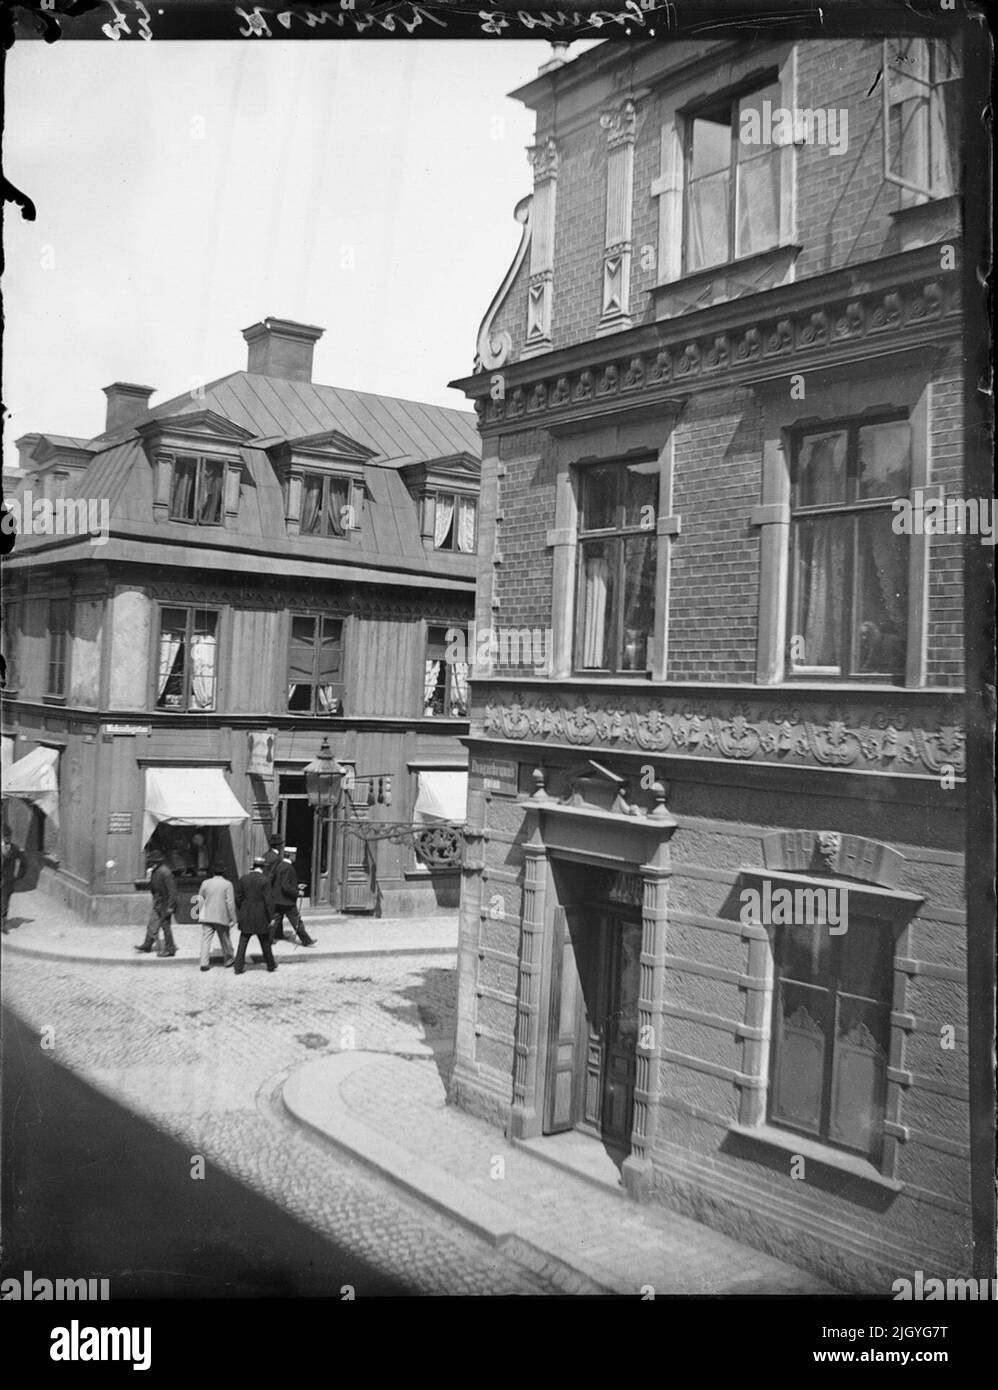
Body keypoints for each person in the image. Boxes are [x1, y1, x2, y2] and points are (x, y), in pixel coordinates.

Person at [233, 856, 277, 975]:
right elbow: (268, 901)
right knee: (265, 941)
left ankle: (238, 967)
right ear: (263, 867)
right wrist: (271, 917)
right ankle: (270, 965)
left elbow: (238, 898)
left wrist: (244, 907)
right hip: (261, 914)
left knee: (243, 941)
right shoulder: (265, 880)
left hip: (246, 913)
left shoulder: (244, 879)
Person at [134, 848, 178, 956]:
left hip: (165, 903)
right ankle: (147, 944)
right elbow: (153, 887)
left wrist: (171, 906)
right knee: (152, 923)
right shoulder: (156, 871)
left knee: (165, 926)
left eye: (153, 861)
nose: (151, 863)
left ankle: (170, 949)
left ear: (157, 862)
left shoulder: (165, 872)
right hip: (158, 902)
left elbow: (173, 891)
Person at [270, 846, 316, 946]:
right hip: (287, 901)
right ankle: (307, 941)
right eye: (294, 855)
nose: (295, 857)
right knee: (296, 921)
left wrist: (296, 886)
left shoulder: (280, 865)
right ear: (291, 856)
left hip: (278, 899)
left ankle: (268, 940)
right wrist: (297, 892)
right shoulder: (288, 867)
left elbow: (280, 882)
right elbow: (285, 886)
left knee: (276, 920)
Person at [197, 861, 237, 971]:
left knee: (206, 939)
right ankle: (229, 959)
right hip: (221, 916)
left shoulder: (205, 883)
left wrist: (199, 914)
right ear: (224, 872)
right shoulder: (227, 884)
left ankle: (204, 962)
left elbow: (200, 899)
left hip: (207, 916)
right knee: (225, 939)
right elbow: (230, 903)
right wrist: (233, 918)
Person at [1, 825, 27, 933]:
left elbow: (24, 863)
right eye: (5, 836)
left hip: (7, 881)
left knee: (4, 902)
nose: (7, 838)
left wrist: (18, 876)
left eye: (9, 836)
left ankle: (2, 923)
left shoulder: (15, 849)